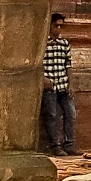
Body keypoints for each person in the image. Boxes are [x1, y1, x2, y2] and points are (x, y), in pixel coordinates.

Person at [40, 13, 77, 156]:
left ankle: (69, 144)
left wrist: (71, 83)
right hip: (49, 84)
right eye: (56, 25)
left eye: (61, 26)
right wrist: (42, 78)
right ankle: (55, 145)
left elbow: (68, 65)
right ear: (49, 26)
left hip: (63, 83)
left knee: (70, 114)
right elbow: (37, 64)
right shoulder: (42, 44)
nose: (59, 28)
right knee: (52, 115)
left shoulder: (64, 43)